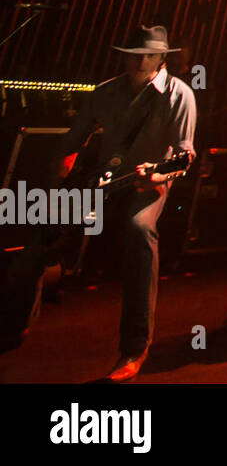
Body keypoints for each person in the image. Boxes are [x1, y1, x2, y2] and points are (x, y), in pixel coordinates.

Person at [1, 25, 197, 382]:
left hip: (147, 183)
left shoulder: (179, 95)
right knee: (37, 237)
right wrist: (62, 171)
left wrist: (157, 176)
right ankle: (14, 324)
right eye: (133, 55)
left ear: (161, 58)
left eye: (148, 56)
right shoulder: (105, 92)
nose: (140, 62)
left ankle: (135, 348)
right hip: (100, 182)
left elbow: (184, 156)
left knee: (139, 231)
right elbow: (71, 142)